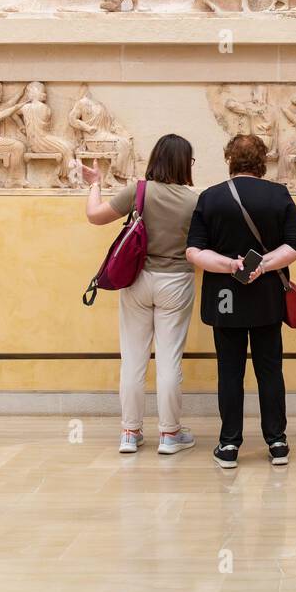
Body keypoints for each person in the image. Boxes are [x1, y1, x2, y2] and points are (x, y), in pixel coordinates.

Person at [185, 135, 296, 469]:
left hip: (224, 298)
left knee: (230, 372)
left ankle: (229, 445)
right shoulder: (278, 195)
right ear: (262, 161)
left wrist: (231, 265)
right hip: (267, 296)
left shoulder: (210, 198)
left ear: (229, 159)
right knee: (270, 370)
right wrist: (262, 265)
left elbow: (193, 250)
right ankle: (277, 442)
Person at [83, 134, 199, 456]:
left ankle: (130, 433)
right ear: (183, 164)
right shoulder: (194, 201)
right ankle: (169, 434)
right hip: (176, 282)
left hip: (136, 280)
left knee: (133, 358)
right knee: (168, 359)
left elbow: (95, 216)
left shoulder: (139, 190)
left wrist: (94, 184)